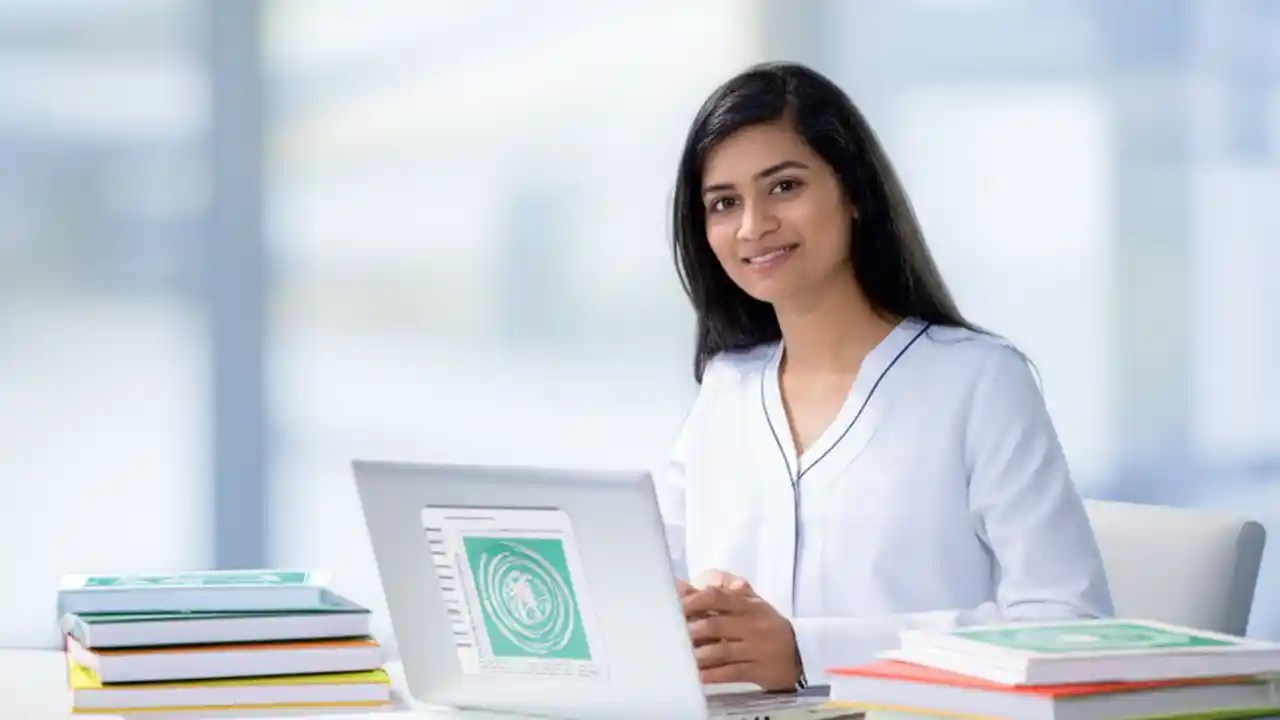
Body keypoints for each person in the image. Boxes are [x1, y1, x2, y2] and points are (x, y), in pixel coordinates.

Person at [657, 61, 1113, 692]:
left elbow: (1068, 626)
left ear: (853, 192)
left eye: (784, 186)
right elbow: (649, 590)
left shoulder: (978, 382)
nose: (753, 225)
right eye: (724, 203)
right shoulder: (725, 390)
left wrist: (809, 652)